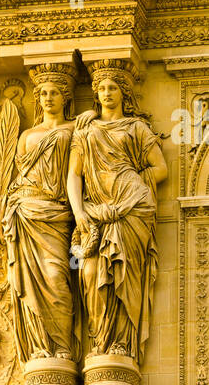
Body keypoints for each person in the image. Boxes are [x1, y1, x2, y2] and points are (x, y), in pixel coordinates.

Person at [67, 62, 167, 362]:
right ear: (95, 94)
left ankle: (121, 342)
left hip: (131, 211)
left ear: (123, 92)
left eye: (113, 87)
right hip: (96, 211)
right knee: (91, 272)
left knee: (126, 273)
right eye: (101, 88)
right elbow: (75, 175)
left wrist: (133, 188)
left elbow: (160, 168)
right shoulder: (85, 132)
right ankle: (100, 340)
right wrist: (80, 211)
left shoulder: (136, 128)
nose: (107, 92)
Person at [0, 65, 79, 365]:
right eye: (42, 93)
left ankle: (63, 348)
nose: (47, 98)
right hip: (24, 211)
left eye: (54, 93)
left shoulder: (76, 129)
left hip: (58, 213)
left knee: (56, 277)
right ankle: (41, 348)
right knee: (27, 286)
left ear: (65, 97)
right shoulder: (27, 135)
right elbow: (10, 177)